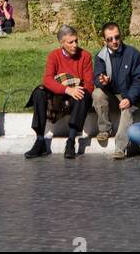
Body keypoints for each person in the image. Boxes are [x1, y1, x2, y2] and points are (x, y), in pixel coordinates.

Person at [24, 25, 94, 160]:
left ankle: (71, 141)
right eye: (70, 42)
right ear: (61, 43)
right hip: (59, 94)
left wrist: (76, 90)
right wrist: (67, 89)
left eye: (76, 41)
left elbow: (89, 84)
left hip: (76, 95)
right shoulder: (54, 56)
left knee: (83, 93)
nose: (75, 45)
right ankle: (40, 140)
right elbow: (47, 80)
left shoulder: (85, 56)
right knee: (39, 92)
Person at [92, 23, 140, 160]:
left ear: (121, 36)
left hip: (129, 96)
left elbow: (139, 81)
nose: (114, 41)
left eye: (117, 37)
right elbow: (97, 77)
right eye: (110, 39)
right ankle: (105, 129)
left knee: (127, 109)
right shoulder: (100, 56)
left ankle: (120, 148)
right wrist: (102, 81)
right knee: (97, 93)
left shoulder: (133, 54)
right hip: (111, 95)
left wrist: (129, 98)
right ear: (104, 41)